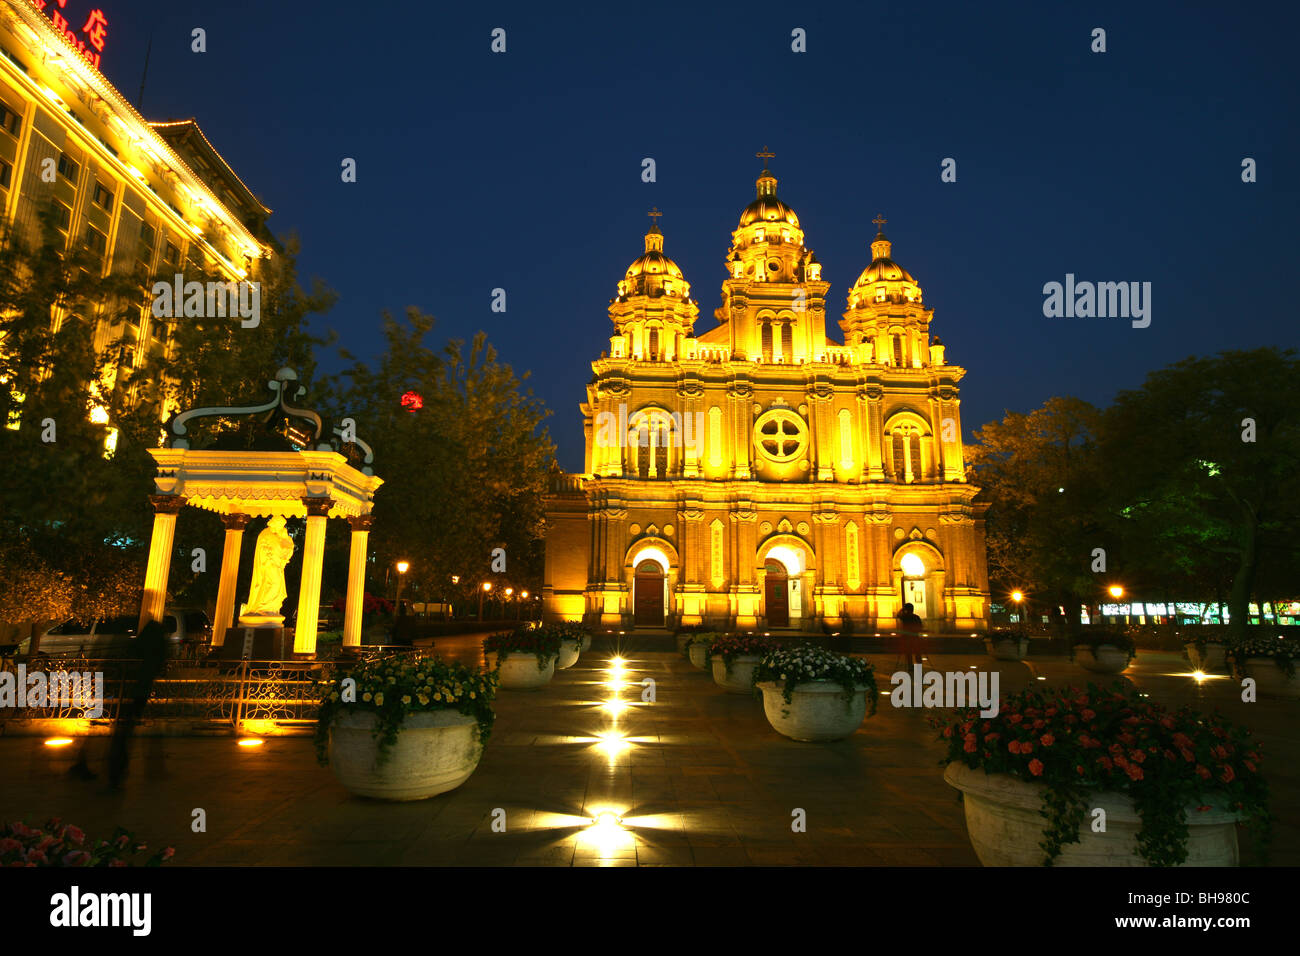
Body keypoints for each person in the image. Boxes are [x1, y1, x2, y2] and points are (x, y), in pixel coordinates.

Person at [106, 618, 168, 790]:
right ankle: (120, 772)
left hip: (127, 695)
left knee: (121, 736)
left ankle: (116, 774)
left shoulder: (137, 650)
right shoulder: (155, 653)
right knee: (125, 736)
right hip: (138, 695)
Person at [896, 602, 924, 669]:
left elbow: (898, 615)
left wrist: (902, 609)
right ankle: (919, 666)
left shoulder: (905, 617)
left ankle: (910, 666)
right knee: (917, 652)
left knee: (909, 653)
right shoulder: (916, 617)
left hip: (907, 638)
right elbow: (920, 626)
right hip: (915, 637)